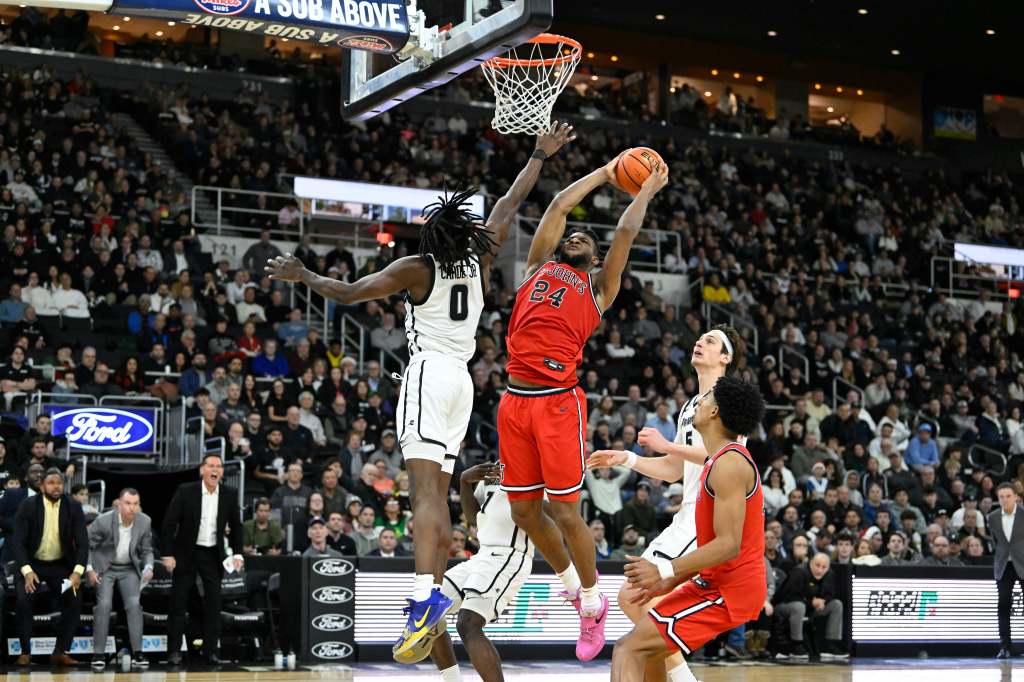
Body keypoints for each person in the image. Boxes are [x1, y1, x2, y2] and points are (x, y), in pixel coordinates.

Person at [267, 122, 576, 658]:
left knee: (425, 492)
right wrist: (539, 156)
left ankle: (422, 595)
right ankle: (429, 596)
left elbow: (350, 293)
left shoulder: (417, 268)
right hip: (464, 380)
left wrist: (304, 276)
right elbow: (508, 203)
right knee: (439, 490)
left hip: (429, 372)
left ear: (433, 235)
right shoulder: (481, 260)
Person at [499, 153, 669, 662]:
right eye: (572, 237)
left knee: (566, 512)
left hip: (556, 404)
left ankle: (593, 602)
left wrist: (642, 192)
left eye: (584, 242)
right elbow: (556, 204)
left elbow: (622, 234)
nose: (576, 239)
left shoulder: (598, 289)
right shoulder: (535, 268)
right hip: (514, 401)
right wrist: (604, 172)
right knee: (525, 512)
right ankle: (575, 589)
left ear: (593, 261)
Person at [588, 325, 744, 682]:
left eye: (710, 341)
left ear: (725, 358)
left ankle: (682, 677)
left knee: (635, 596)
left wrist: (667, 444)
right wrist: (627, 459)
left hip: (710, 516)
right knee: (639, 603)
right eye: (699, 338)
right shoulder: (690, 406)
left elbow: (722, 454)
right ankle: (678, 675)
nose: (699, 343)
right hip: (686, 513)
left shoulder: (732, 396)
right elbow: (675, 469)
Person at [610, 376, 766, 682]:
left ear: (714, 413)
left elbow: (728, 545)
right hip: (713, 582)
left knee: (629, 648)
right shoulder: (716, 460)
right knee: (649, 649)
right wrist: (673, 581)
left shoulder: (729, 464)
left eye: (705, 399)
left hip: (731, 590)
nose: (699, 402)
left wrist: (665, 571)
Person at [406, 462, 533, 682]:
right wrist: (464, 482)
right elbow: (476, 520)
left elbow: (550, 518)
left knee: (468, 623)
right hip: (483, 554)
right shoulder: (495, 468)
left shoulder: (534, 470)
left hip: (511, 553)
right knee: (429, 611)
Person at [161, 454, 244, 666]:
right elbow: (169, 523)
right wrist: (168, 554)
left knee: (214, 604)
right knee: (178, 604)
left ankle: (210, 651)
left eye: (218, 466)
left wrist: (237, 553)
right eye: (210, 466)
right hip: (186, 553)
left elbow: (237, 526)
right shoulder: (186, 490)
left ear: (222, 472)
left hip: (212, 554)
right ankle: (173, 652)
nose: (214, 469)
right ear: (202, 470)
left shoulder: (229, 494)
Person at [12, 468, 88, 667]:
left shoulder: (73, 507)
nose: (57, 486)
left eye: (60, 483)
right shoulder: (28, 506)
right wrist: (27, 571)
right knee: (23, 599)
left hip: (61, 566)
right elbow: (18, 542)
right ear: (42, 486)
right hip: (33, 564)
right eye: (52, 482)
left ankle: (60, 651)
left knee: (74, 596)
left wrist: (77, 572)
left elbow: (82, 543)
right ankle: (25, 652)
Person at [86, 488, 154, 671]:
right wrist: (90, 569)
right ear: (119, 504)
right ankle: (98, 654)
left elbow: (147, 550)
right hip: (104, 568)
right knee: (104, 605)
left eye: (135, 504)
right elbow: (87, 546)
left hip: (129, 568)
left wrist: (149, 566)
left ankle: (138, 652)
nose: (132, 508)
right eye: (128, 503)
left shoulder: (144, 521)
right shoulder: (103, 521)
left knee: (133, 605)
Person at [773, 553, 847, 660]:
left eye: (824, 567)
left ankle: (830, 645)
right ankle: (796, 644)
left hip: (811, 608)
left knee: (836, 604)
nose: (820, 570)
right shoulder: (799, 572)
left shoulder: (829, 574)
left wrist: (823, 601)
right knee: (799, 606)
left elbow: (830, 594)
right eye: (817, 565)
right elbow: (788, 596)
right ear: (811, 563)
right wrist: (810, 602)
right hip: (784, 606)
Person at [990, 482, 1024, 658]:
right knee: (1003, 605)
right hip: (1003, 565)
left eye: (1008, 496)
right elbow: (997, 542)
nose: (1004, 500)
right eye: (1001, 497)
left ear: (1016, 497)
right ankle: (1005, 646)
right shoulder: (993, 517)